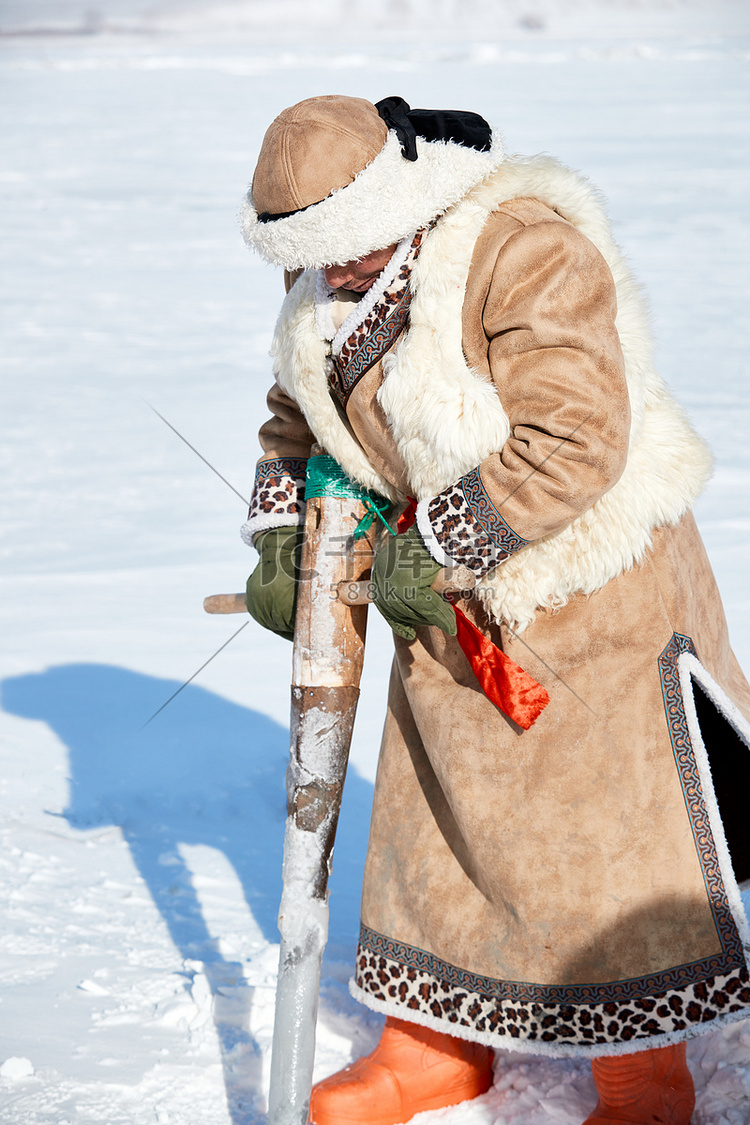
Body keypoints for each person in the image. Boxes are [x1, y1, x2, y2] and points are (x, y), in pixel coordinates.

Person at [239, 94, 750, 1125]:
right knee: (440, 820)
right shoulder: (332, 282)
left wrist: (428, 554)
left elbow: (575, 434)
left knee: (593, 840)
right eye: (308, 255)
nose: (329, 271)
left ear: (393, 199)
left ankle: (639, 1072)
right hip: (437, 599)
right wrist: (291, 535)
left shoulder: (521, 249)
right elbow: (298, 419)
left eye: (343, 246)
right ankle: (435, 1046)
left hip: (584, 592)